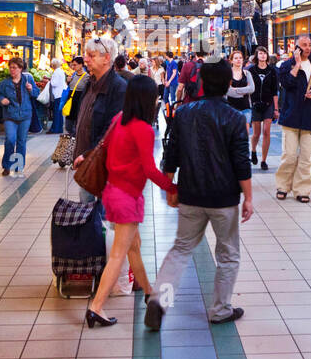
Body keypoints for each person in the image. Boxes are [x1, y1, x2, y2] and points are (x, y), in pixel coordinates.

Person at [145, 57, 253, 331]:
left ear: (201, 82)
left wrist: (170, 187)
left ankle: (159, 301)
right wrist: (249, 198)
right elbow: (242, 163)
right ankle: (220, 309)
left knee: (181, 250)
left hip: (191, 194)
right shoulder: (235, 118)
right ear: (228, 84)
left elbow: (171, 154)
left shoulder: (184, 113)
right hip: (224, 198)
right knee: (228, 254)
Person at [84, 76, 178, 327]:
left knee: (133, 246)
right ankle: (96, 307)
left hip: (113, 192)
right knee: (118, 255)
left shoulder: (119, 119)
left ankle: (149, 292)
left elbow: (105, 149)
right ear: (147, 99)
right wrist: (172, 187)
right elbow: (150, 169)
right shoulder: (143, 129)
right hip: (127, 197)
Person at [275, 35, 311, 203]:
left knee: (307, 157)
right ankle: (283, 186)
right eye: (304, 45)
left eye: (309, 45)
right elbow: (286, 83)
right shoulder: (286, 65)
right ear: (297, 48)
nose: (307, 47)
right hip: (291, 115)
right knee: (289, 155)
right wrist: (297, 64)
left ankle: (302, 190)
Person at [72, 36, 128, 200]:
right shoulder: (90, 83)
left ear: (106, 58)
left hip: (103, 165)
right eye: (86, 55)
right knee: (87, 209)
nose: (86, 59)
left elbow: (112, 130)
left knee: (102, 210)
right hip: (87, 162)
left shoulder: (118, 88)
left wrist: (88, 154)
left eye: (92, 55)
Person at [0, 57, 39, 176]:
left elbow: (36, 93)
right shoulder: (5, 83)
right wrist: (2, 100)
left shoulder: (28, 80)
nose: (12, 70)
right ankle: (6, 166)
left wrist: (31, 89)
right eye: (10, 67)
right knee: (10, 140)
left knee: (21, 141)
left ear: (20, 69)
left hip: (25, 115)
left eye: (14, 68)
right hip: (10, 115)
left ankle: (18, 167)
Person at [248, 46, 278, 169]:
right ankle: (253, 150)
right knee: (256, 133)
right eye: (260, 53)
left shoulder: (272, 71)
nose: (263, 55)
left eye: (265, 53)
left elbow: (275, 91)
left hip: (268, 105)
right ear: (257, 56)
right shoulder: (251, 70)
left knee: (266, 131)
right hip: (255, 105)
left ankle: (264, 160)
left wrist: (276, 109)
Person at [225, 49, 255, 128]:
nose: (238, 60)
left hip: (245, 107)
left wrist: (236, 90)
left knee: (245, 133)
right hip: (231, 108)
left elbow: (252, 89)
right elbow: (228, 91)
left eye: (240, 58)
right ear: (231, 61)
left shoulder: (247, 73)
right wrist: (244, 91)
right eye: (236, 58)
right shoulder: (227, 74)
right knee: (233, 133)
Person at [47, 57, 68, 133]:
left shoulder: (56, 72)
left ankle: (55, 129)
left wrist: (49, 81)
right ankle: (59, 128)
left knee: (56, 112)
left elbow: (54, 83)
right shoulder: (61, 71)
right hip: (62, 93)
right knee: (59, 112)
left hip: (58, 94)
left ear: (53, 65)